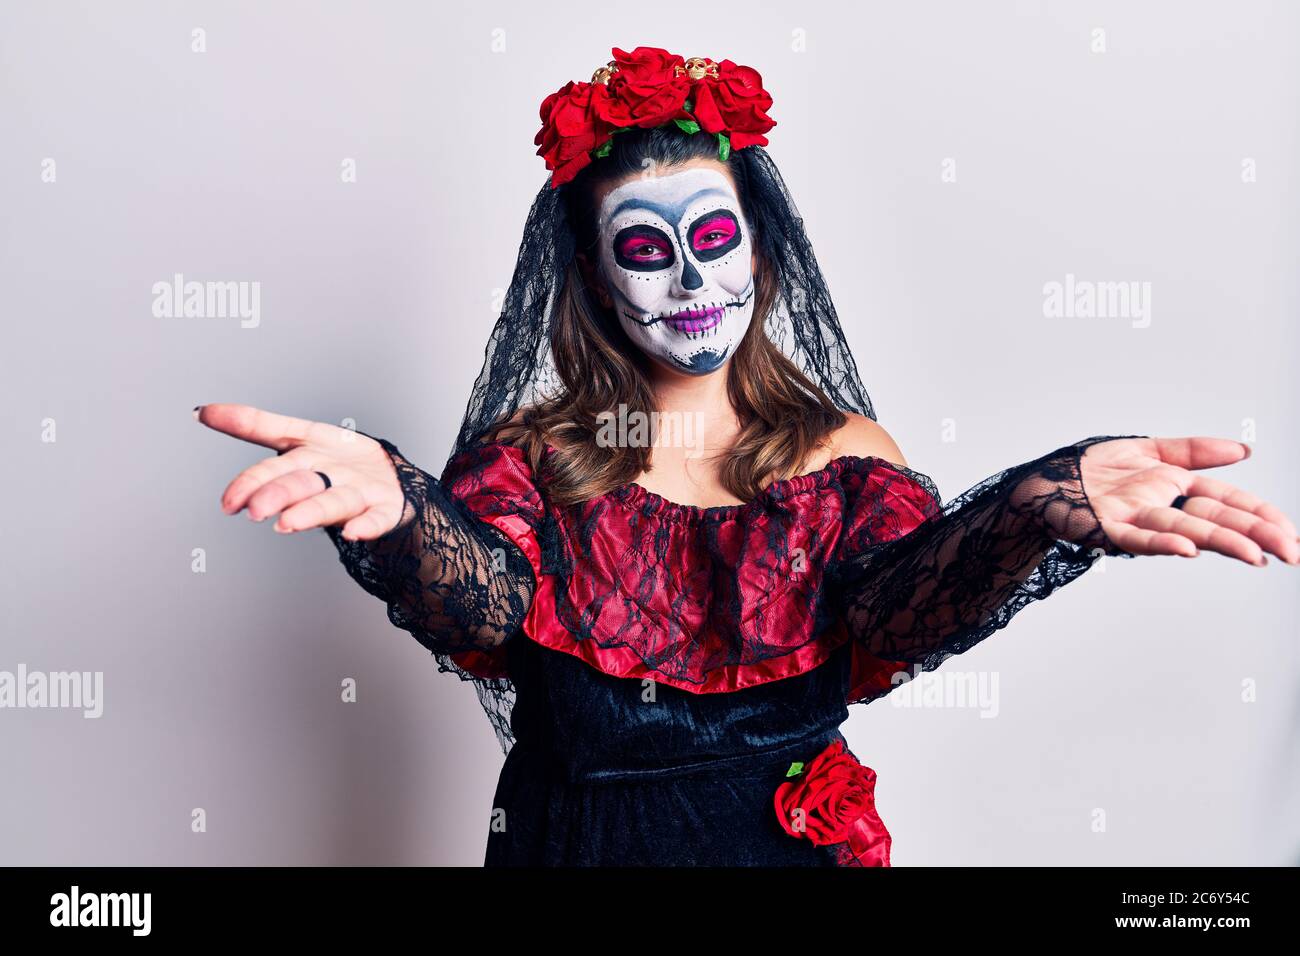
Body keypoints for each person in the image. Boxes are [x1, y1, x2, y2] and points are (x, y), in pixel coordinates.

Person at [196, 47, 1299, 866]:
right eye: (645, 248)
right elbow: (485, 611)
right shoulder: (529, 461)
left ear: (762, 254)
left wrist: (1030, 504)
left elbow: (896, 616)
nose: (688, 280)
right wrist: (400, 516)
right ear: (590, 275)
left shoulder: (842, 458)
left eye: (713, 237)